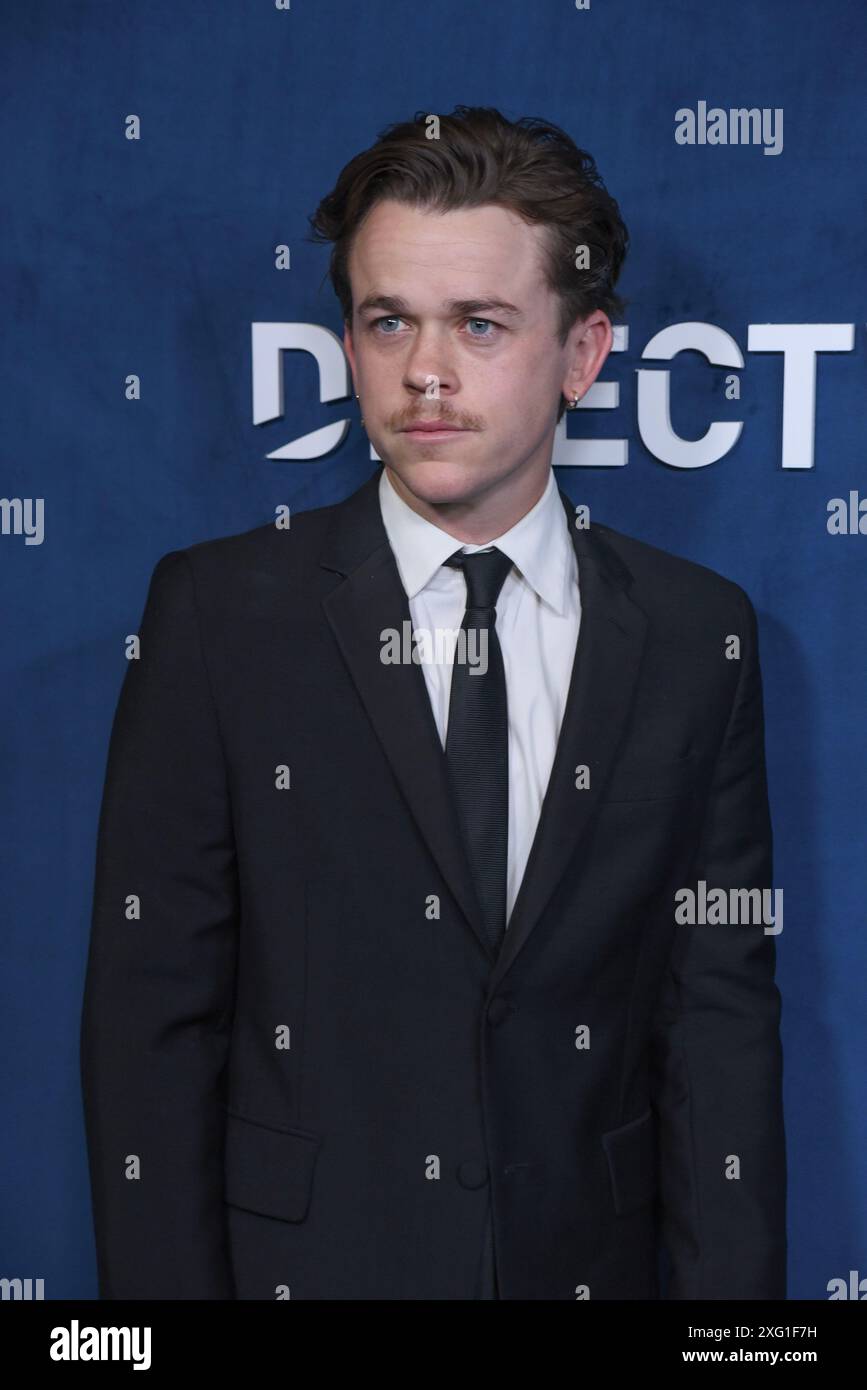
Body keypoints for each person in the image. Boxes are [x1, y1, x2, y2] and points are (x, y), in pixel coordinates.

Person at [80, 105, 786, 1300]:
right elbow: (149, 1029)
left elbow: (717, 1025)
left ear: (584, 353)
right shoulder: (217, 615)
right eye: (388, 319)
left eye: (480, 323)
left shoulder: (694, 635)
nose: (426, 371)